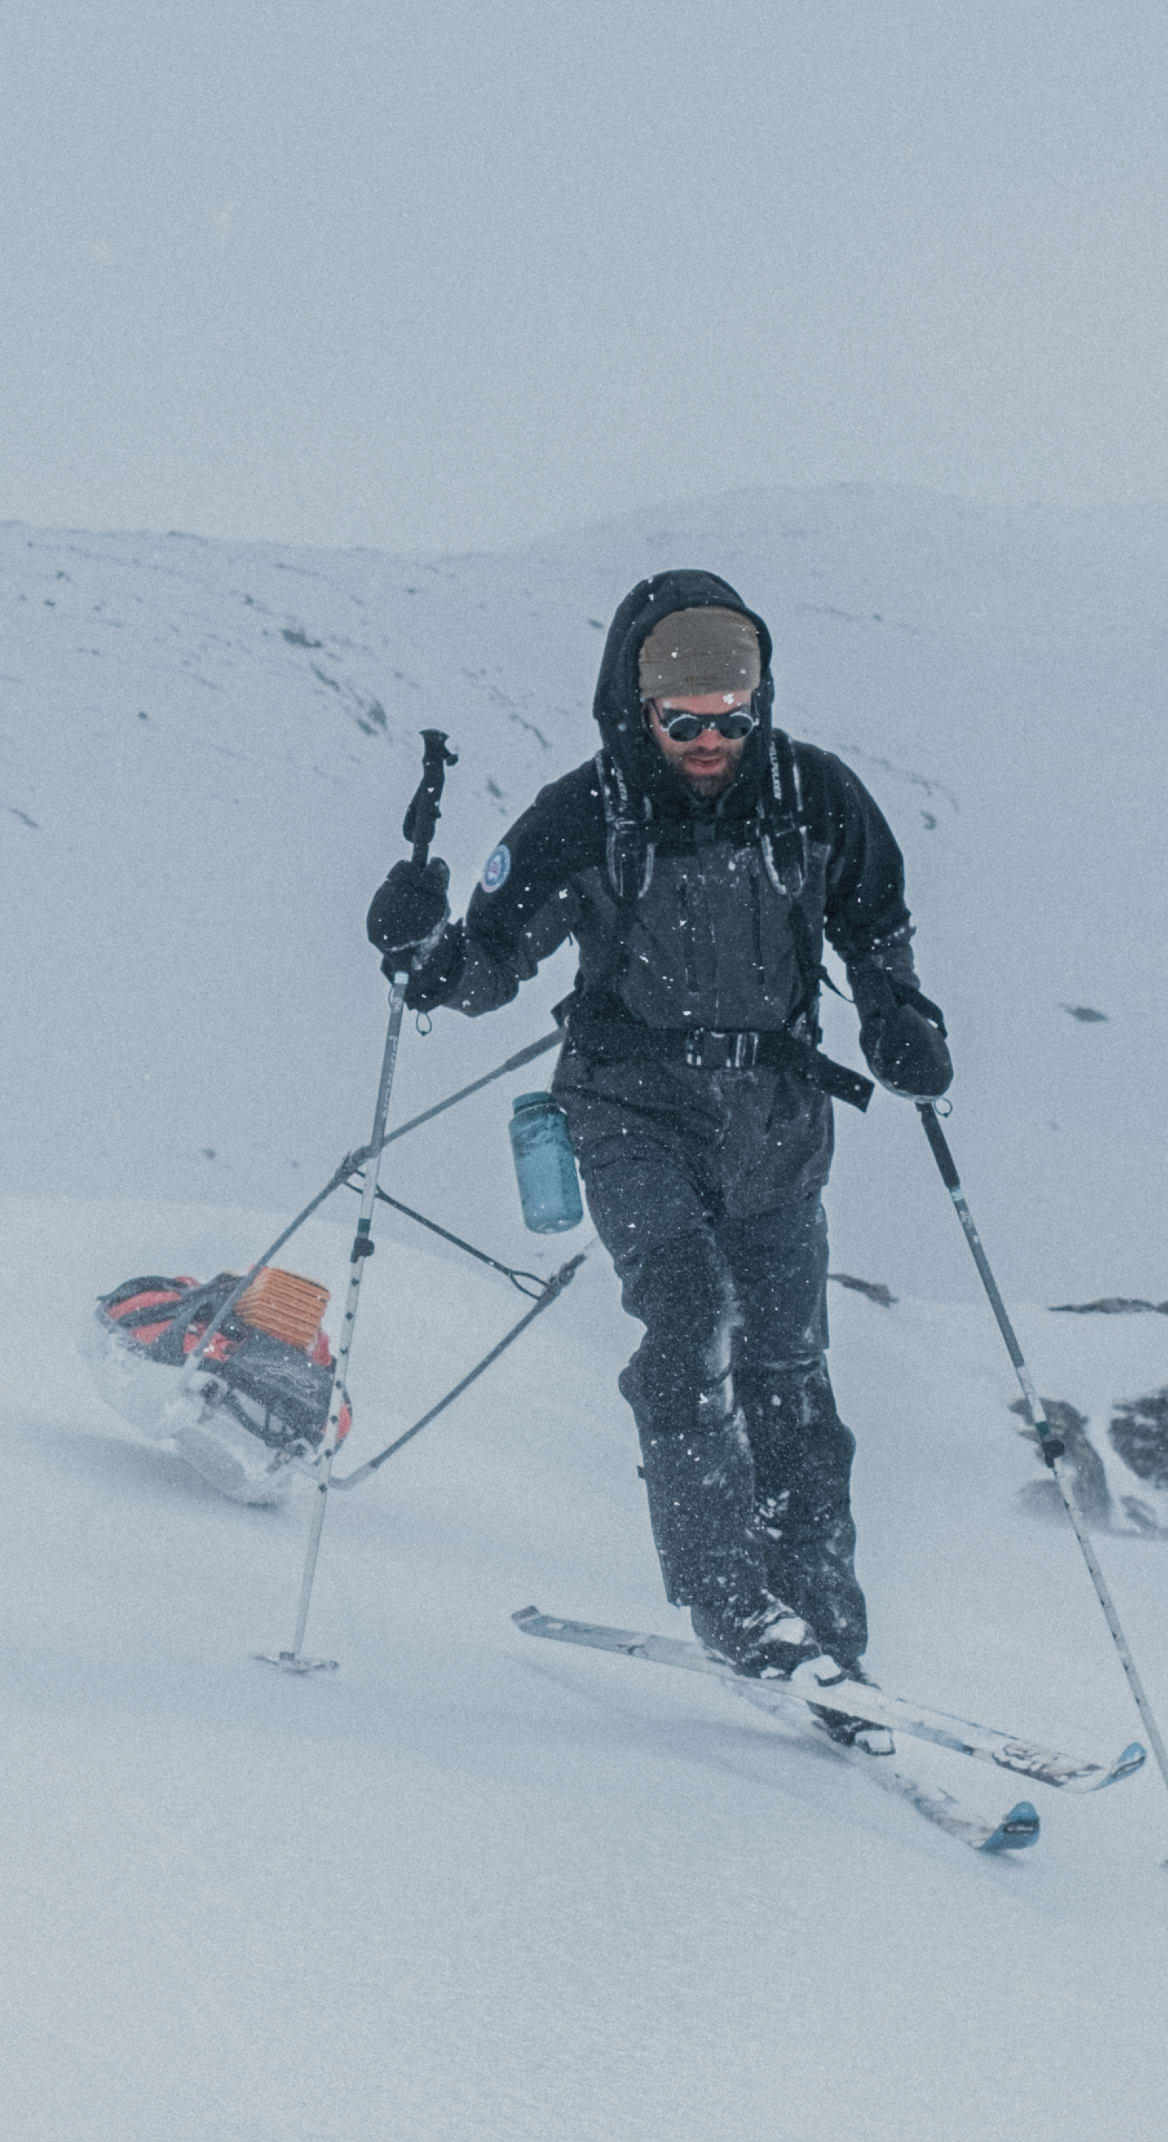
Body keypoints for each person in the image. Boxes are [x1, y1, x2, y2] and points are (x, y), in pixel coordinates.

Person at [363, 571, 951, 1722]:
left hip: (778, 1130)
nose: (711, 743)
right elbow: (483, 968)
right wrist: (416, 947)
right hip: (629, 1110)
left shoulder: (814, 797)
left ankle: (828, 1633)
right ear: (637, 710)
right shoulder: (583, 815)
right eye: (685, 723)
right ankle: (736, 1609)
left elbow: (876, 924)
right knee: (691, 1319)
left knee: (790, 1378)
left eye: (734, 718)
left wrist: (900, 1013)